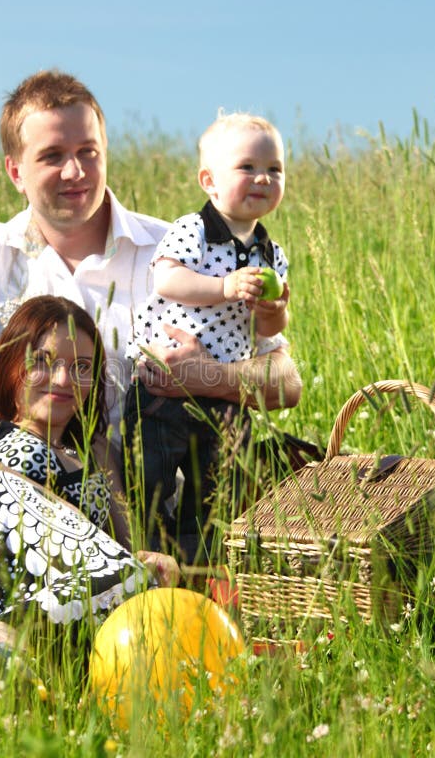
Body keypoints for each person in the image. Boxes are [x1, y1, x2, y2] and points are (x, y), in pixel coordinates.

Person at [0, 69, 302, 498]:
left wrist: (207, 377)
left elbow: (286, 381)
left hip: (136, 486)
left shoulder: (178, 250)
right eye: (52, 156)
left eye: (87, 152)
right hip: (8, 468)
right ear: (16, 172)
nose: (75, 172)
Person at [0, 295, 179, 714]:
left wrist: (151, 562)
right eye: (44, 361)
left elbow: (123, 544)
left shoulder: (98, 453)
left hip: (59, 604)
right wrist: (50, 504)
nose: (64, 379)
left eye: (82, 368)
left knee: (139, 580)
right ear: (12, 362)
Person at [124, 113, 291, 562]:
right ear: (210, 181)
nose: (263, 178)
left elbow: (269, 333)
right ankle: (149, 562)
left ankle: (198, 566)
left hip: (226, 394)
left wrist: (272, 311)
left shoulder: (271, 253)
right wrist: (225, 287)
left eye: (274, 169)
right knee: (150, 483)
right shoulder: (193, 229)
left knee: (220, 488)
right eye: (247, 167)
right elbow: (167, 280)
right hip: (162, 389)